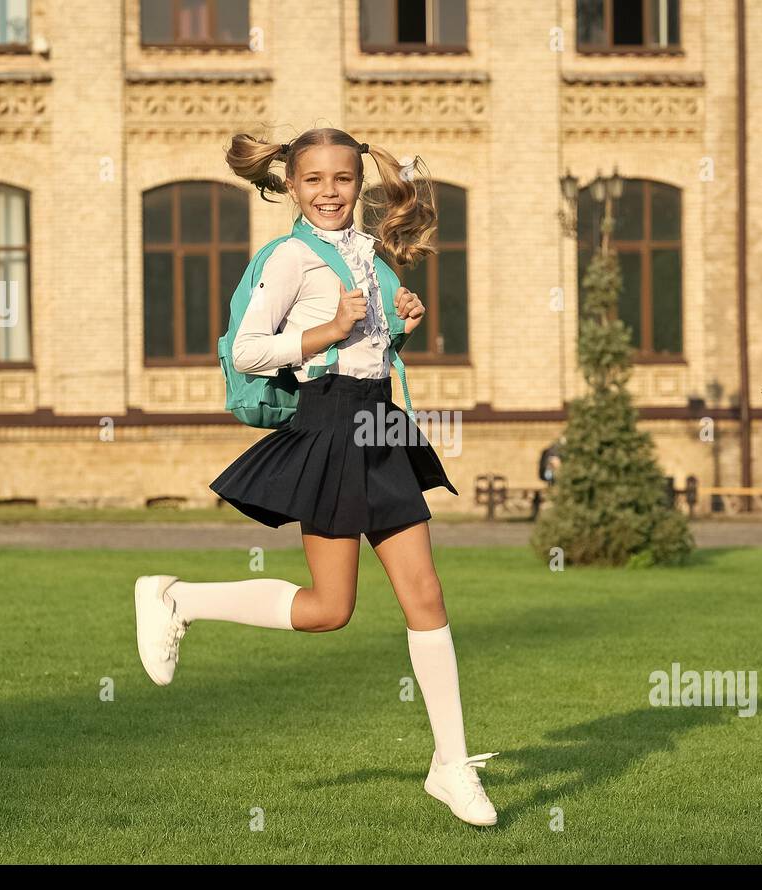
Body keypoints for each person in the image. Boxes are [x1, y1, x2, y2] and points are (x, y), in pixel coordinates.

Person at [132, 127, 499, 827]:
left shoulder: (365, 252)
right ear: (291, 186)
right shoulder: (290, 257)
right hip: (329, 427)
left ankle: (450, 763)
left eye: (342, 179)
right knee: (331, 608)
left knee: (426, 593)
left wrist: (404, 320)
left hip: (380, 426)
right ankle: (177, 599)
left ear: (358, 183)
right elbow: (246, 351)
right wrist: (325, 333)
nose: (330, 192)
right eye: (314, 181)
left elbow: (373, 343)